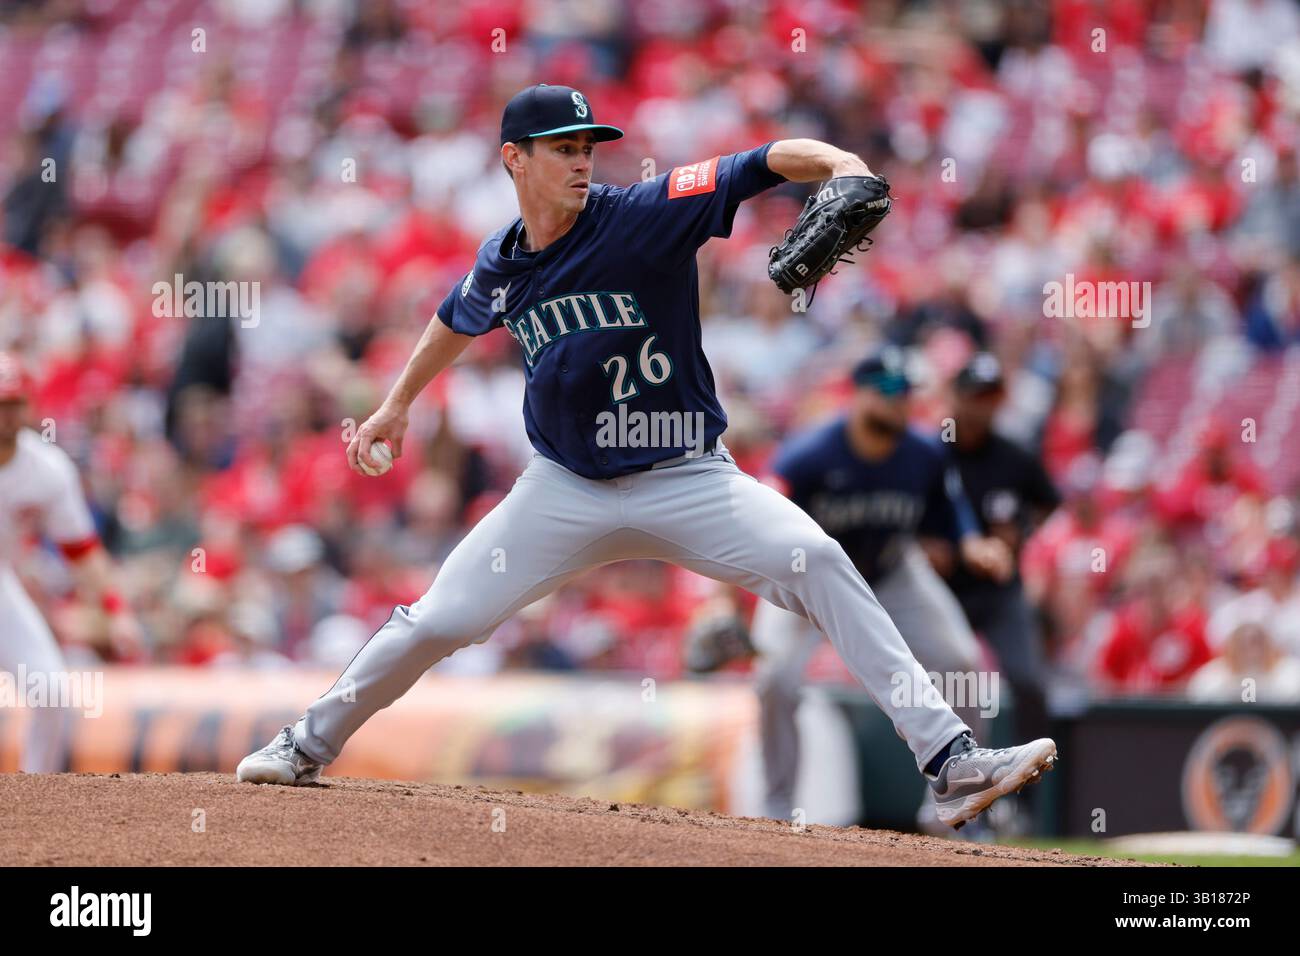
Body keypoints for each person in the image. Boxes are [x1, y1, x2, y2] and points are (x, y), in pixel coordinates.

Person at [237, 83, 1057, 830]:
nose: (582, 160)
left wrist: (840, 162)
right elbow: (457, 317)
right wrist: (395, 404)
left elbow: (759, 162)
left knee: (816, 555)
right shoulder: (503, 260)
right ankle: (305, 743)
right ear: (513, 160)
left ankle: (949, 761)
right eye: (563, 148)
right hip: (562, 489)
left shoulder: (640, 214)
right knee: (439, 621)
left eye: (587, 146)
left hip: (687, 475)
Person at [689, 346, 1016, 825]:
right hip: (804, 579)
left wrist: (972, 545)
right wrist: (722, 599)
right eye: (887, 388)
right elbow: (750, 523)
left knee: (960, 659)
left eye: (905, 390)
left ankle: (958, 801)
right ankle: (778, 809)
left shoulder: (923, 452)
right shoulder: (808, 456)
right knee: (774, 678)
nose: (899, 399)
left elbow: (952, 516)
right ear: (857, 393)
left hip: (891, 570)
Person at [0, 351, 143, 771]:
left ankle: (35, 797)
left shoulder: (46, 469)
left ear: (30, 404)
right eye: (0, 405)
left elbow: (81, 550)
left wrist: (115, 610)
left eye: (14, 403)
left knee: (52, 691)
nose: (7, 414)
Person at [936, 353, 1060, 752]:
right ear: (955, 396)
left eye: (991, 396)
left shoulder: (1013, 456)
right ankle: (941, 780)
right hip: (941, 591)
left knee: (1028, 680)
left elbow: (1048, 502)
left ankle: (1027, 790)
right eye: (975, 395)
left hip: (998, 589)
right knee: (931, 684)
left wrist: (1021, 533)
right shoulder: (931, 453)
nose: (982, 405)